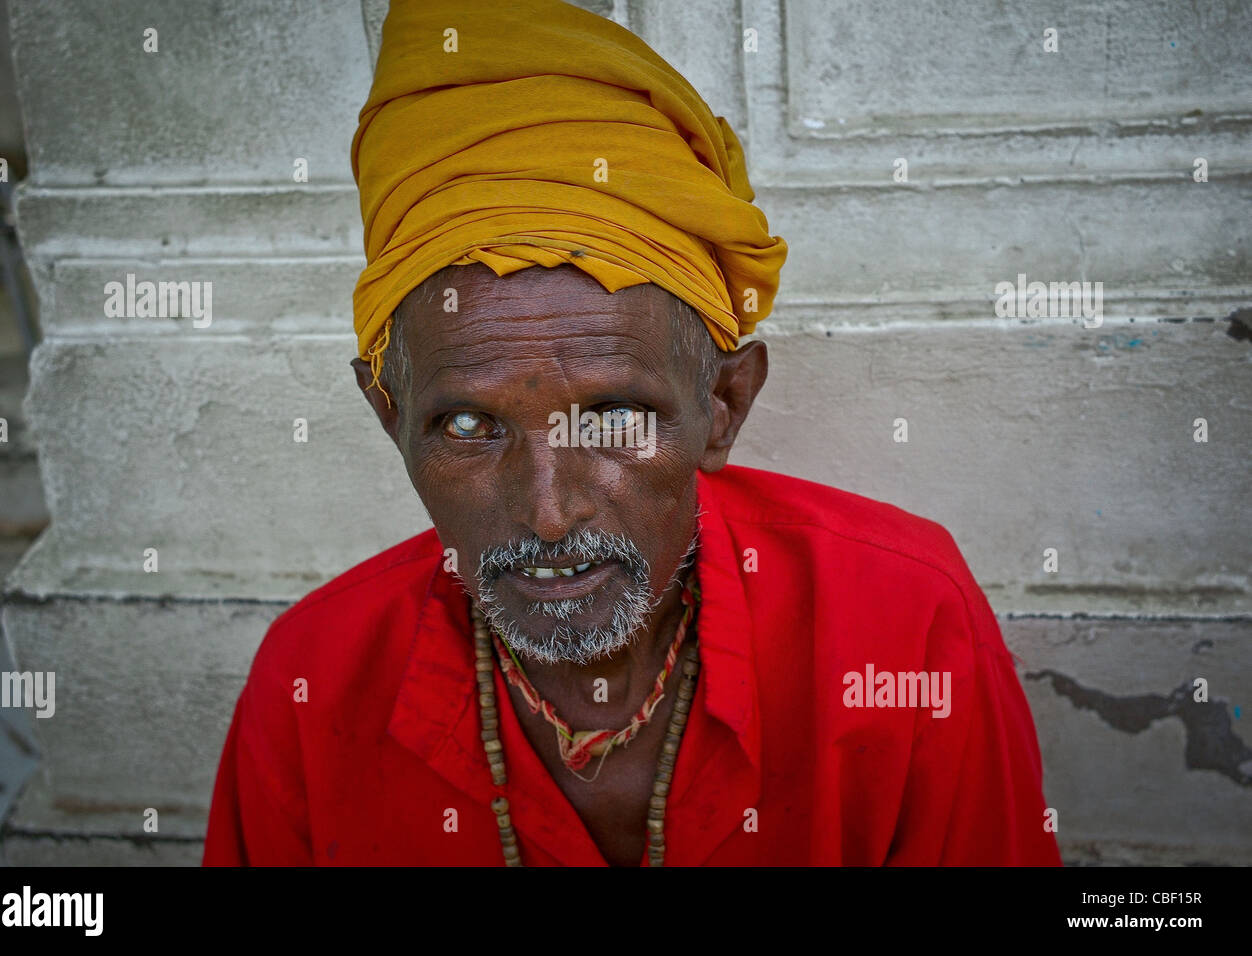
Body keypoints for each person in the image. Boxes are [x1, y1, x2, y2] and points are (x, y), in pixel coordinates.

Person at [203, 0, 1060, 867]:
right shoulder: (312, 682)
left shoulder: (903, 625)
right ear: (390, 418)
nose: (547, 512)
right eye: (469, 426)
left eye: (613, 417)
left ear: (723, 405)